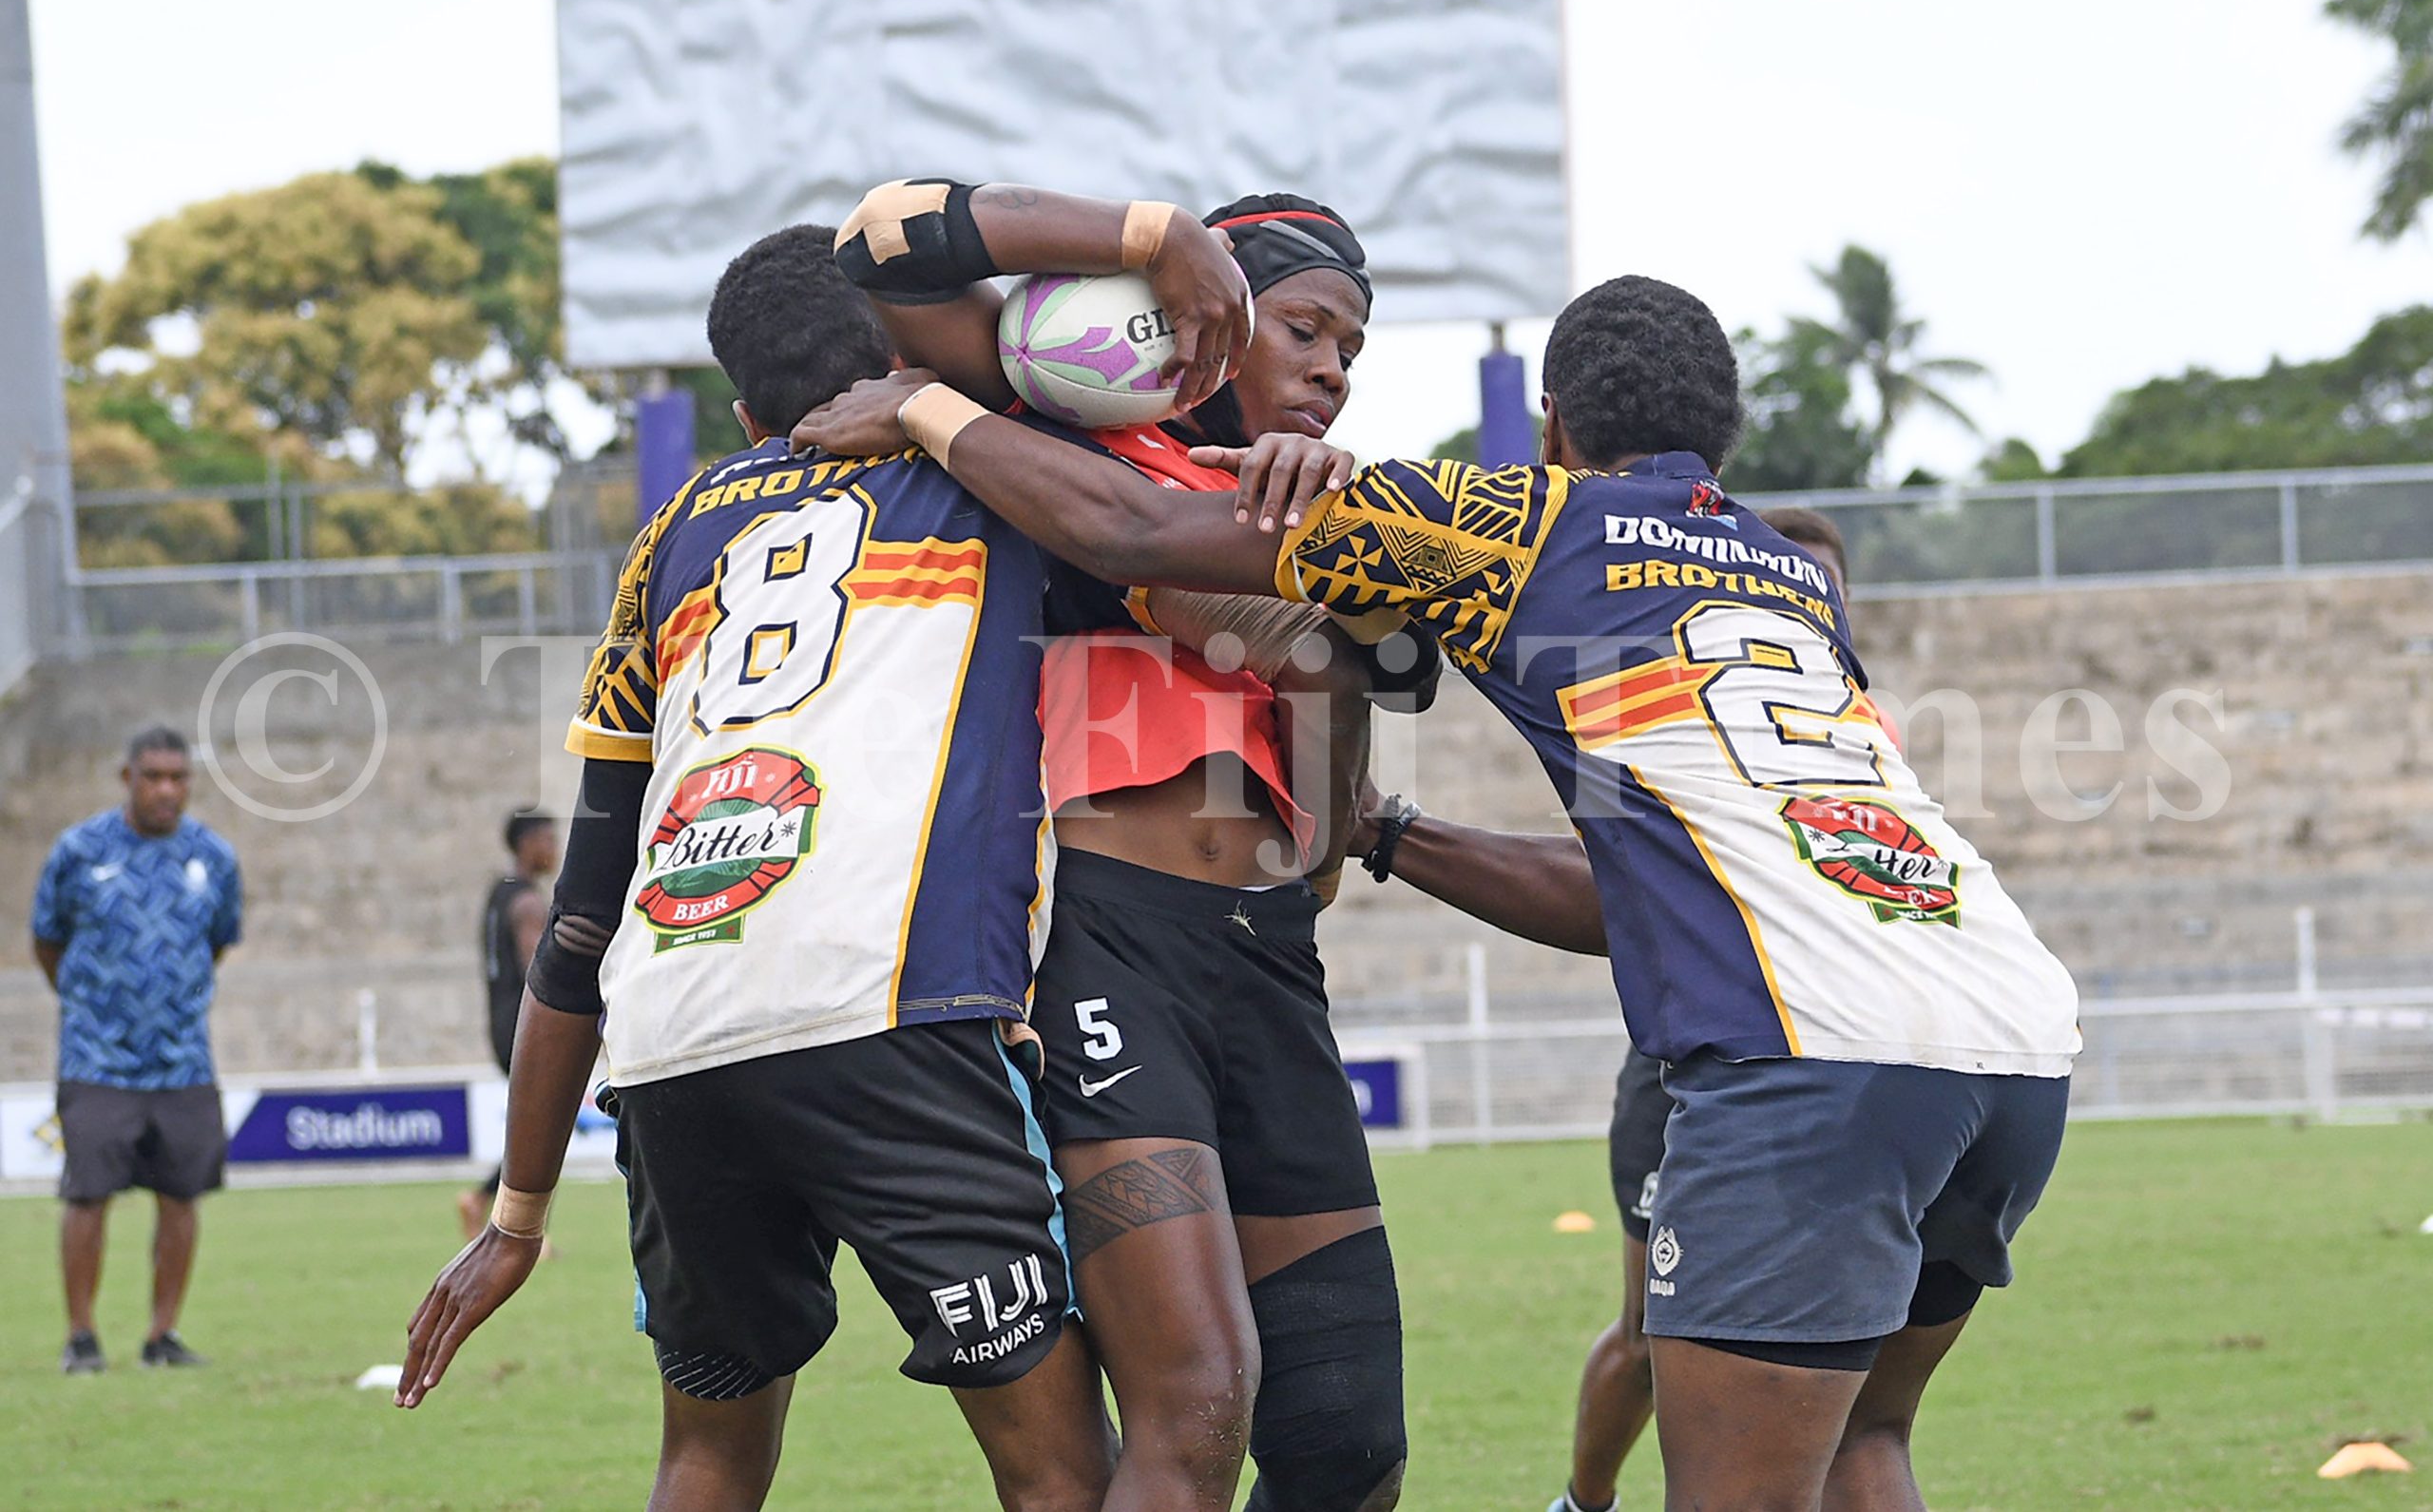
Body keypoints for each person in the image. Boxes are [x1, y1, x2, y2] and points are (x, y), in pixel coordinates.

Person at [795, 266, 2081, 1511]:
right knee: (1865, 1445)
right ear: (1722, 445)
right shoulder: (1791, 576)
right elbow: (1619, 902)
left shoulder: (1524, 516)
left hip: (1814, 1059)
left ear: (1555, 427)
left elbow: (1129, 530)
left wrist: (929, 406)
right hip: (2012, 1038)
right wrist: (1387, 830)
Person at [395, 225, 1114, 1512]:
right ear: (903, 353)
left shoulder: (670, 536)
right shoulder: (993, 469)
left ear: (741, 410)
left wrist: (516, 1212)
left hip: (672, 1045)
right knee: (1062, 1471)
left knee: (709, 1458)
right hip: (892, 1009)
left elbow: (579, 914)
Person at [832, 178, 1422, 1512]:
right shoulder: (1050, 423)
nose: (1332, 371)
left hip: (1267, 964)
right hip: (1105, 952)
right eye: (1311, 329)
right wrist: (1155, 240)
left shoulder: (1302, 502)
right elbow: (881, 243)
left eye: (1353, 353)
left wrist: (1304, 573)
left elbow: (1379, 676)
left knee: (1347, 1440)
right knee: (1197, 1407)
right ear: (1212, 317)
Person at [1337, 504, 1865, 1512]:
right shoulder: (1678, 719)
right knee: (1654, 1345)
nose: (1816, 600)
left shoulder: (1857, 746)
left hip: (1860, 1072)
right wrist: (1395, 833)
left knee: (1850, 1387)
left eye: (1829, 588)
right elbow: (1610, 894)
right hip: (1700, 1077)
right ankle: (1583, 1503)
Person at [32, 724, 242, 1374]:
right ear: (127, 778)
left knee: (182, 1196)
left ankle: (161, 1335)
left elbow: (218, 941)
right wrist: (93, 1008)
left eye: (178, 778)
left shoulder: (215, 857)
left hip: (182, 1060)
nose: (166, 789)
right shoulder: (79, 851)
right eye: (153, 776)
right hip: (97, 1058)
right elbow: (47, 940)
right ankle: (82, 1336)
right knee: (88, 1196)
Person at [456, 807, 558, 1244]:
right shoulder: (528, 902)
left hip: (498, 1023)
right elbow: (543, 971)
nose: (556, 850)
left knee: (541, 1125)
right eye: (549, 840)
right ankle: (503, 1217)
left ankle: (505, 1215)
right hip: (524, 1028)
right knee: (546, 1127)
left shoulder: (499, 895)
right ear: (528, 844)